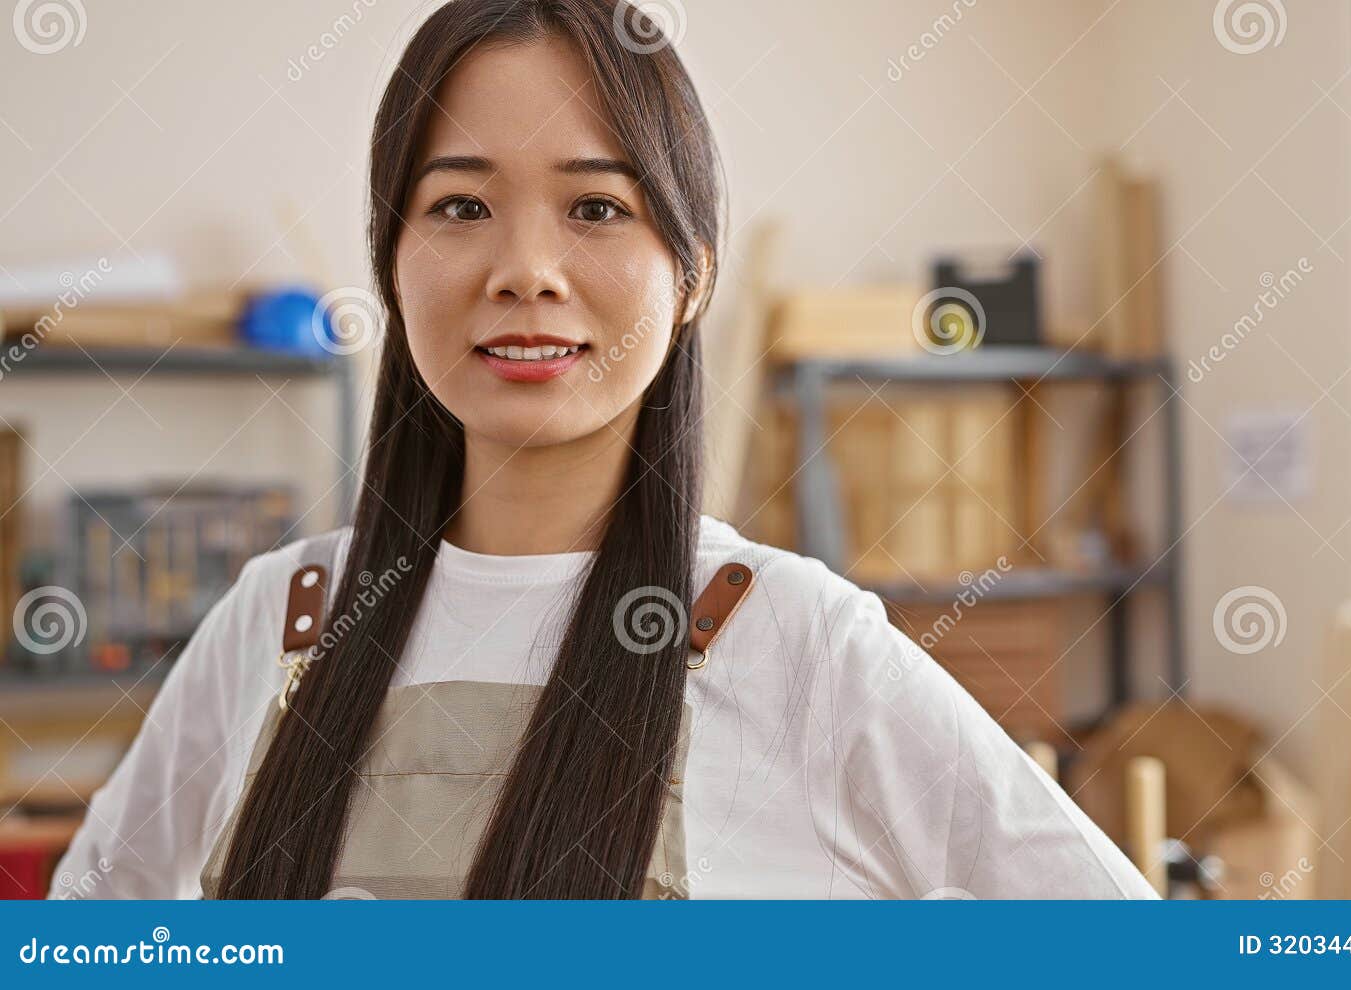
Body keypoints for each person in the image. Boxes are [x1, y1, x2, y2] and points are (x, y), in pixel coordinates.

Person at [49, 0, 1156, 900]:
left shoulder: (791, 639)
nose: (524, 267)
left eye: (594, 208)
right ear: (393, 262)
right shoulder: (280, 613)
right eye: (460, 205)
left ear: (694, 278)